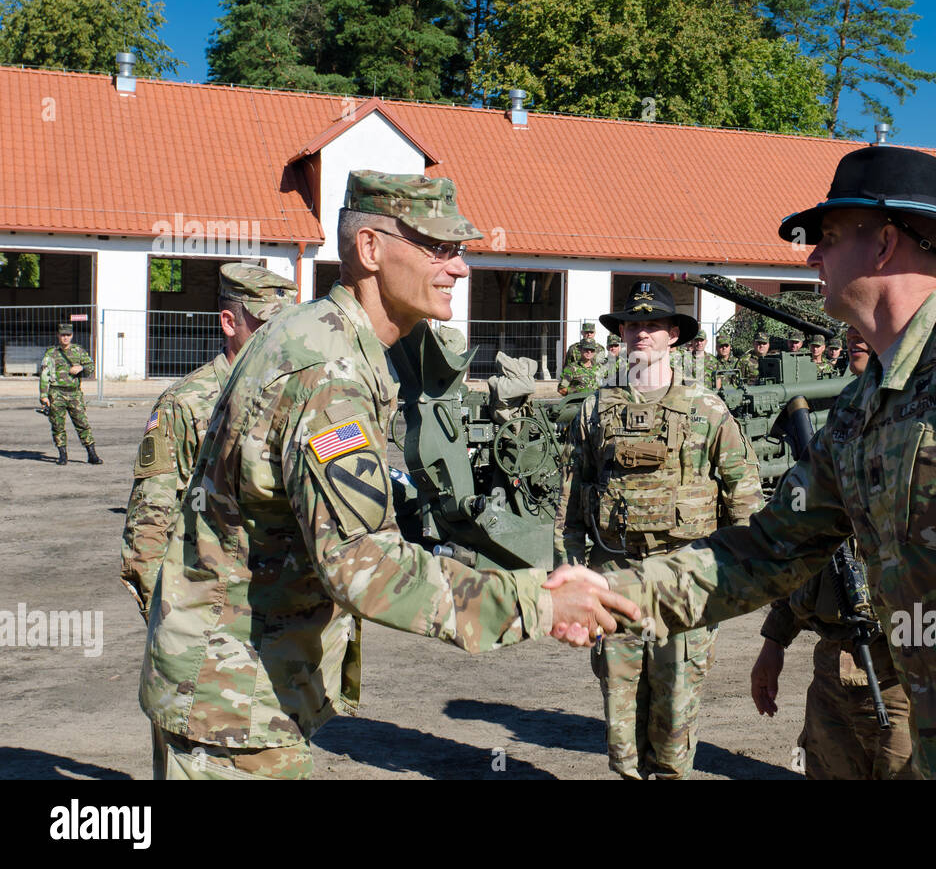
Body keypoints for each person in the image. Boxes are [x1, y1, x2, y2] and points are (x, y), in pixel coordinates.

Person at [557, 146, 936, 779]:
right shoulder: (862, 406)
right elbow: (769, 549)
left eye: (828, 238)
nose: (812, 256)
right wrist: (607, 593)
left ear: (884, 245)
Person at [139, 170, 636, 780]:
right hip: (234, 699)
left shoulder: (325, 337)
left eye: (459, 250)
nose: (460, 268)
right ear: (371, 249)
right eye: (438, 248)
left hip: (239, 683)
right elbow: (363, 563)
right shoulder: (326, 372)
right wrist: (539, 601)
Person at [555, 280, 762, 780]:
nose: (641, 333)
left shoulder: (706, 408)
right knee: (620, 710)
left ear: (674, 335)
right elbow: (573, 499)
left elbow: (744, 494)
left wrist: (736, 578)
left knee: (676, 705)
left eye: (652, 325)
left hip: (683, 579)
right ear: (622, 334)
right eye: (632, 325)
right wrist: (569, 572)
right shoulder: (595, 409)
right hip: (615, 577)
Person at [750, 324, 913, 779]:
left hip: (903, 672)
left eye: (870, 326)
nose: (855, 336)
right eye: (851, 329)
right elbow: (806, 551)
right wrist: (774, 642)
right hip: (832, 668)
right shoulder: (841, 429)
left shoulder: (926, 431)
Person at [120, 264, 298, 622]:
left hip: (288, 605)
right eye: (265, 327)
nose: (279, 340)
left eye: (286, 328)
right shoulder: (186, 403)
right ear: (229, 324)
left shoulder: (296, 395)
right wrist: (166, 621)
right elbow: (150, 523)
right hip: (215, 611)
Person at [39, 323, 100, 465]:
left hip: (74, 394)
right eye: (62, 335)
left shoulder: (79, 351)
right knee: (57, 425)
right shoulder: (51, 353)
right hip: (56, 393)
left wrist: (81, 367)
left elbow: (91, 367)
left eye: (68, 335)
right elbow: (44, 375)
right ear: (58, 335)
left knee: (82, 424)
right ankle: (62, 455)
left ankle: (92, 454)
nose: (65, 338)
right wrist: (43, 395)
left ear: (72, 336)